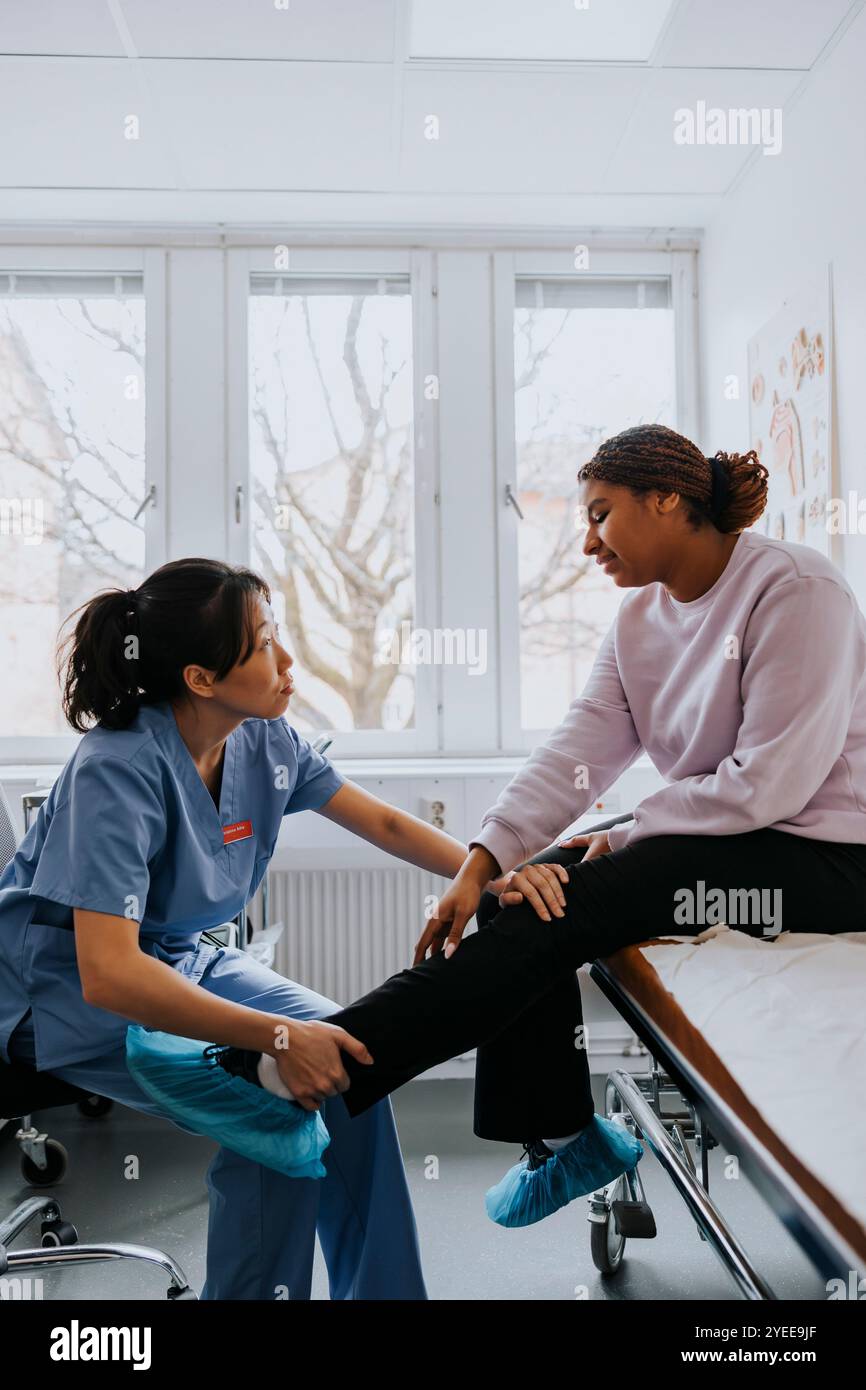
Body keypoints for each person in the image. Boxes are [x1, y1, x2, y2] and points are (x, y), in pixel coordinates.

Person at [170, 422, 866, 1231]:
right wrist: (484, 859)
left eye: (602, 515)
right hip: (732, 838)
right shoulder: (641, 619)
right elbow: (579, 747)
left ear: (668, 500)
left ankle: (288, 1073)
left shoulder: (795, 590)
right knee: (521, 896)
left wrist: (632, 833)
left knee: (588, 889)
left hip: (831, 858)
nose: (588, 543)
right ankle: (564, 1142)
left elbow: (772, 784)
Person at [0, 556, 542, 1299]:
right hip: (62, 992)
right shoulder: (116, 769)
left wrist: (487, 876)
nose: (287, 662)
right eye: (262, 645)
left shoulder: (261, 738)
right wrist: (278, 1037)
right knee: (276, 1097)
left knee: (353, 1059)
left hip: (180, 959)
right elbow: (110, 974)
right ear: (200, 678)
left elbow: (380, 819)